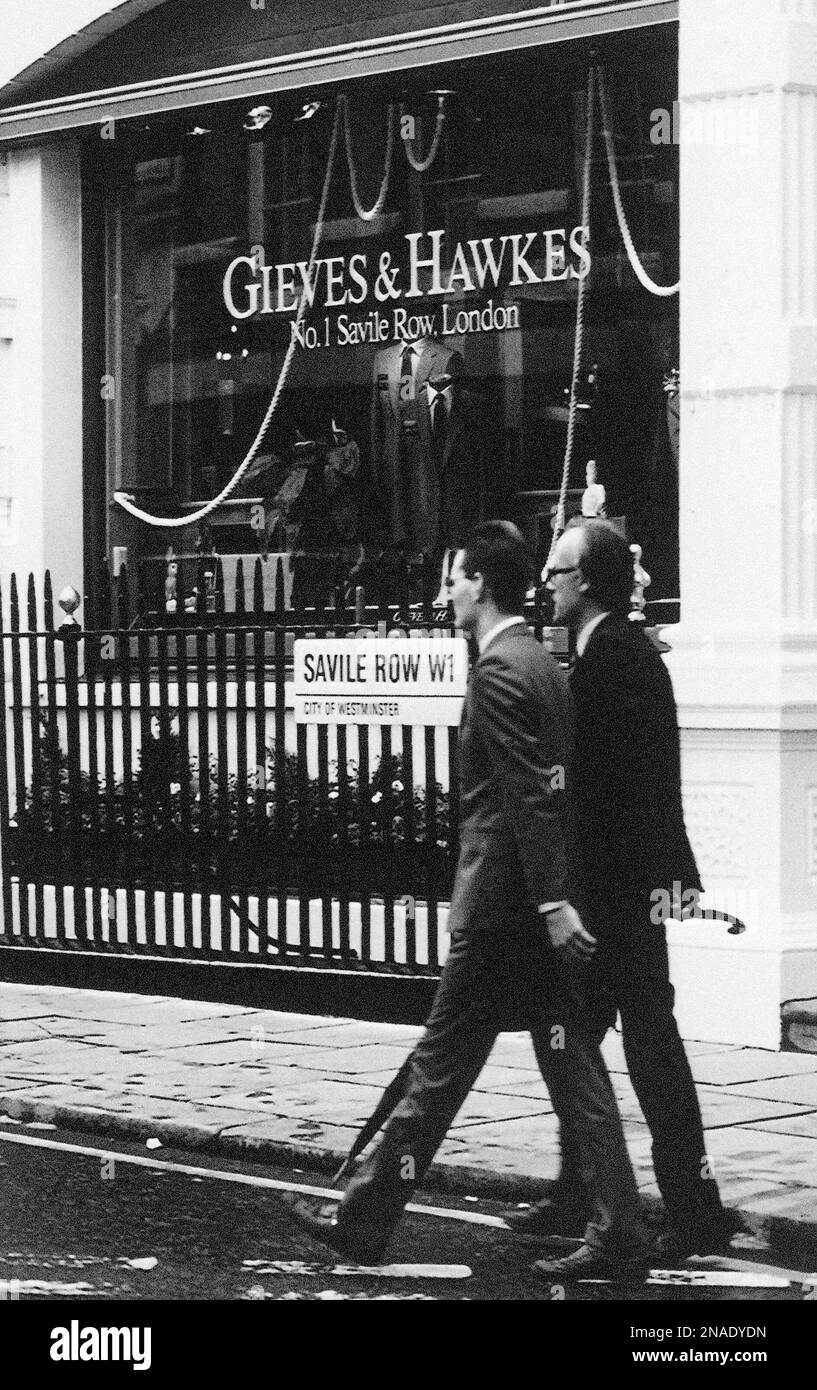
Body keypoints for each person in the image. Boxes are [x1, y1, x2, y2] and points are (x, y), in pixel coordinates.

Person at [282, 520, 649, 1280]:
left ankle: (362, 1218)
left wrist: (551, 904)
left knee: (442, 1065)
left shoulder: (499, 672)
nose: (445, 593)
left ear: (480, 584)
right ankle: (617, 1228)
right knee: (570, 1062)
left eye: (453, 579)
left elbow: (528, 799)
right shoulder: (542, 663)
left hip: (503, 914)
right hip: (534, 913)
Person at [508, 519, 734, 1263]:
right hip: (634, 885)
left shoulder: (613, 662)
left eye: (558, 571)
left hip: (622, 891)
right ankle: (592, 1194)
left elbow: (606, 797)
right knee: (595, 1039)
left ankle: (689, 1211)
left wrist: (573, 896)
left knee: (635, 1044)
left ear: (589, 582)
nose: (546, 582)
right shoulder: (611, 654)